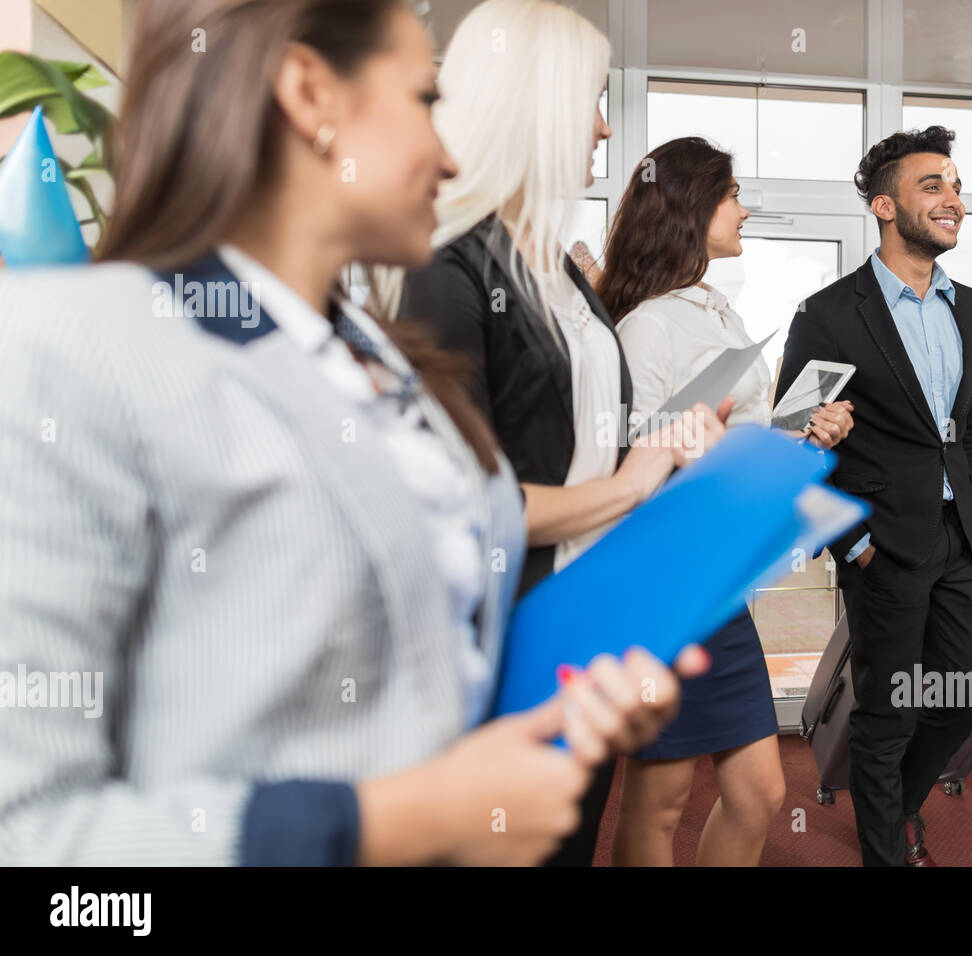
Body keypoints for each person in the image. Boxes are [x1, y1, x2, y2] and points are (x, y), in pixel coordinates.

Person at [0, 0, 703, 866]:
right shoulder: (67, 351)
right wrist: (404, 821)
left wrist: (554, 711)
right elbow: (30, 839)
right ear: (309, 93)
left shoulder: (376, 356)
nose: (449, 153)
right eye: (422, 100)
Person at [397, 0, 729, 866]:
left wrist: (666, 453)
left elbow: (579, 443)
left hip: (578, 627)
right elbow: (458, 502)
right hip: (498, 643)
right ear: (533, 104)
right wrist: (627, 482)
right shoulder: (448, 264)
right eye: (589, 98)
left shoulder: (557, 271)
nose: (603, 127)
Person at [777, 125, 972, 867]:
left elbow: (966, 432)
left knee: (962, 699)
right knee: (889, 713)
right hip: (878, 547)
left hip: (956, 542)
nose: (953, 200)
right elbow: (794, 439)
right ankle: (885, 852)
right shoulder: (828, 312)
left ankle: (896, 815)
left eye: (957, 186)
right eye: (934, 186)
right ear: (885, 207)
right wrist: (850, 542)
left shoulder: (971, 305)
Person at [597, 136, 854, 866]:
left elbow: (734, 438)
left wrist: (804, 436)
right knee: (660, 801)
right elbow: (633, 465)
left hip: (718, 587)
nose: (746, 208)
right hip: (663, 589)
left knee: (759, 794)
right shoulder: (645, 324)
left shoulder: (713, 309)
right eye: (733, 194)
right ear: (690, 205)